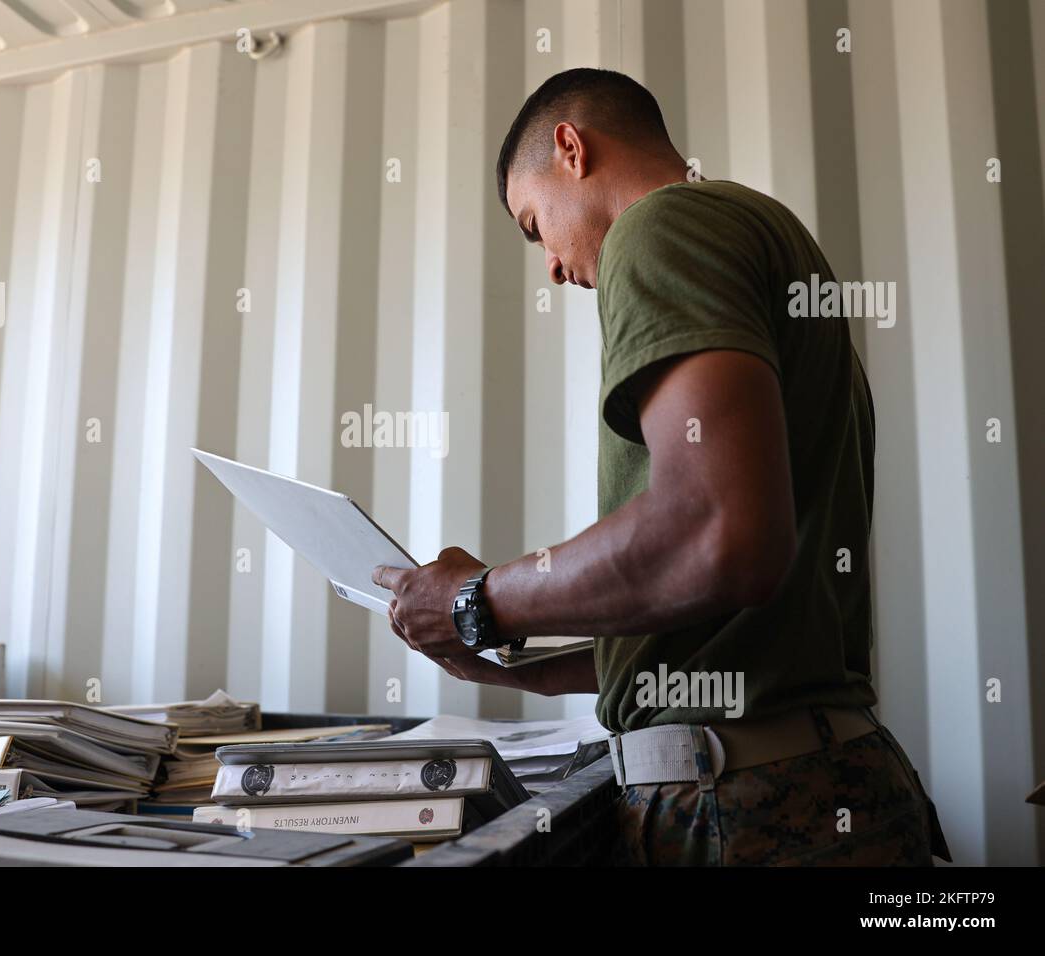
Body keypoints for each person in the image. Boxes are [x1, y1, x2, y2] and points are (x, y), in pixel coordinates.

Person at [372, 68, 949, 866]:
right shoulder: (757, 228)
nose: (551, 265)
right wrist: (528, 672)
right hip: (810, 778)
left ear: (571, 149)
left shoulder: (663, 228)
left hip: (746, 806)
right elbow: (732, 606)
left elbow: (718, 535)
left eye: (534, 225)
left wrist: (477, 600)